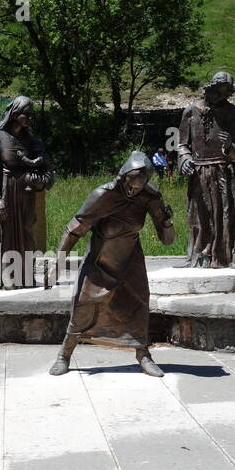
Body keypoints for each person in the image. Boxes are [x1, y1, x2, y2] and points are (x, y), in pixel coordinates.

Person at [49, 152, 176, 377]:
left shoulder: (150, 196)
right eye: (130, 186)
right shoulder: (103, 195)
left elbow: (167, 241)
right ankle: (64, 355)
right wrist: (59, 261)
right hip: (101, 259)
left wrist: (166, 222)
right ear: (122, 177)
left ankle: (143, 354)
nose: (132, 192)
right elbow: (75, 228)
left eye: (138, 188)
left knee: (138, 305)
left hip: (131, 260)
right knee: (83, 305)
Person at [0, 96, 55, 288]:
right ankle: (7, 278)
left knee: (27, 230)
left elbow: (43, 162)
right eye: (25, 113)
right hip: (6, 190)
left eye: (31, 114)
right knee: (7, 234)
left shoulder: (29, 139)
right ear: (14, 113)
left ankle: (26, 276)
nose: (29, 117)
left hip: (26, 190)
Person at [177, 72, 235, 268]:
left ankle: (226, 255)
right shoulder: (191, 111)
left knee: (226, 214)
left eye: (227, 92)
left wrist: (230, 147)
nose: (222, 95)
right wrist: (184, 158)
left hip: (225, 172)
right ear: (210, 88)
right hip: (200, 172)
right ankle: (201, 254)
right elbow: (182, 144)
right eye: (219, 90)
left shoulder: (234, 113)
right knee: (201, 215)